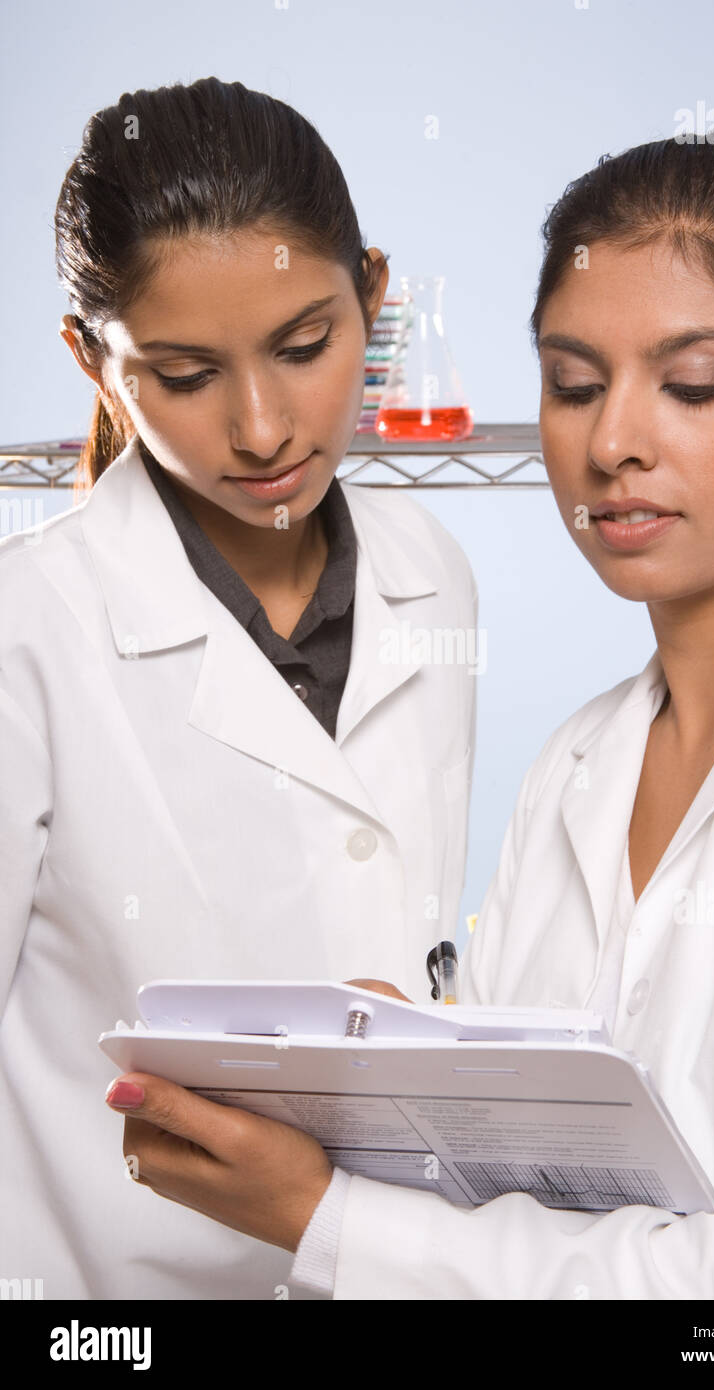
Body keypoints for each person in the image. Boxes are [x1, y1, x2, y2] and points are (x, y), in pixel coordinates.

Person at [108, 129, 714, 1299]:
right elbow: (509, 1192)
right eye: (571, 383)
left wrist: (329, 1217)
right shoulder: (578, 760)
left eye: (694, 386)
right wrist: (399, 1085)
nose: (609, 442)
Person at [0, 77, 477, 1300]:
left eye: (305, 346)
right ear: (93, 363)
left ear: (371, 293)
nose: (263, 428)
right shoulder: (28, 626)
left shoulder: (431, 575)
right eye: (183, 372)